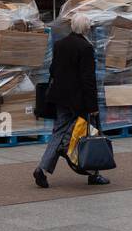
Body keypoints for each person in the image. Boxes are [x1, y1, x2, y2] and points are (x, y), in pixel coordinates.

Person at [33, 13, 108, 188]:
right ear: (86, 29)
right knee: (92, 133)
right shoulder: (86, 48)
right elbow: (87, 80)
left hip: (60, 97)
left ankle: (42, 169)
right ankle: (93, 173)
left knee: (59, 132)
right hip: (79, 100)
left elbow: (53, 70)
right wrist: (93, 106)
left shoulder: (60, 44)